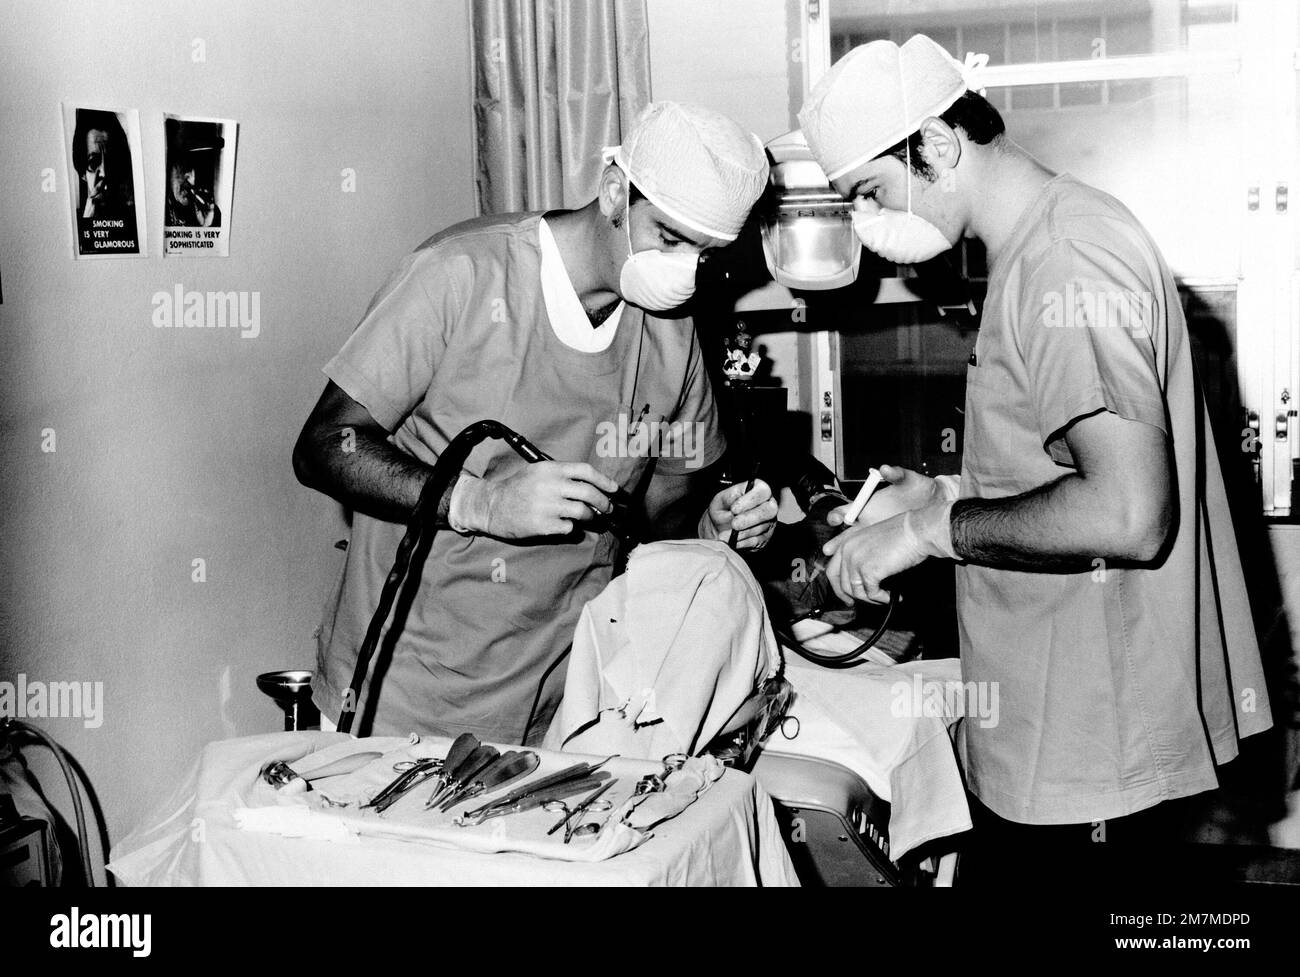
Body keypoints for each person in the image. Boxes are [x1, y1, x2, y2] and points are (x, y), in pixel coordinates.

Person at [798, 35, 1271, 873]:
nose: (869, 226)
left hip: (1096, 760)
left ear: (938, 146)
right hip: (1061, 736)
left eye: (871, 192)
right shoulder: (1036, 251)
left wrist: (927, 532)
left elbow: (1127, 512)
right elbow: (1056, 472)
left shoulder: (1064, 259)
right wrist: (940, 493)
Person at [294, 101, 779, 744]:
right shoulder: (461, 275)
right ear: (613, 192)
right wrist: (480, 501)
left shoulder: (672, 338)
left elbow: (655, 523)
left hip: (571, 699)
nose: (684, 271)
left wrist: (709, 529)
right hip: (407, 695)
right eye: (669, 236)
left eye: (707, 253)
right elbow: (327, 445)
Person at [72, 109, 138, 251]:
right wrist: (88, 222)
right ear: (82, 172)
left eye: (112, 161)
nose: (104, 172)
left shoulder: (134, 220)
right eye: (94, 162)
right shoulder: (71, 226)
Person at [165, 119, 223, 227]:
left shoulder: (213, 215)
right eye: (184, 163)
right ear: (168, 164)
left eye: (199, 164)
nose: (192, 178)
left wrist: (206, 228)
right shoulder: (152, 208)